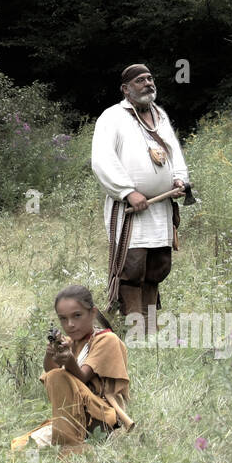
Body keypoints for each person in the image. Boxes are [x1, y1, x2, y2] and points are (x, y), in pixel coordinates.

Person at [90, 64, 189, 333]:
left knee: (157, 266)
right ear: (126, 89)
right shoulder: (112, 118)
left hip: (161, 208)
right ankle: (134, 326)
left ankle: (151, 326)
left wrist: (179, 178)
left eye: (150, 78)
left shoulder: (161, 117)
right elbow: (102, 160)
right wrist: (127, 191)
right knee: (132, 267)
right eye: (140, 80)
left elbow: (173, 153)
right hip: (130, 210)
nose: (148, 83)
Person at [40, 284, 131, 451]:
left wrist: (68, 360)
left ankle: (70, 446)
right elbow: (50, 371)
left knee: (58, 377)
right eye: (63, 319)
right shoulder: (72, 342)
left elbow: (83, 377)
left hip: (101, 417)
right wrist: (50, 353)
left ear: (93, 313)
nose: (70, 324)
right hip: (78, 414)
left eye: (77, 316)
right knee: (23, 445)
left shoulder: (106, 339)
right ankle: (70, 440)